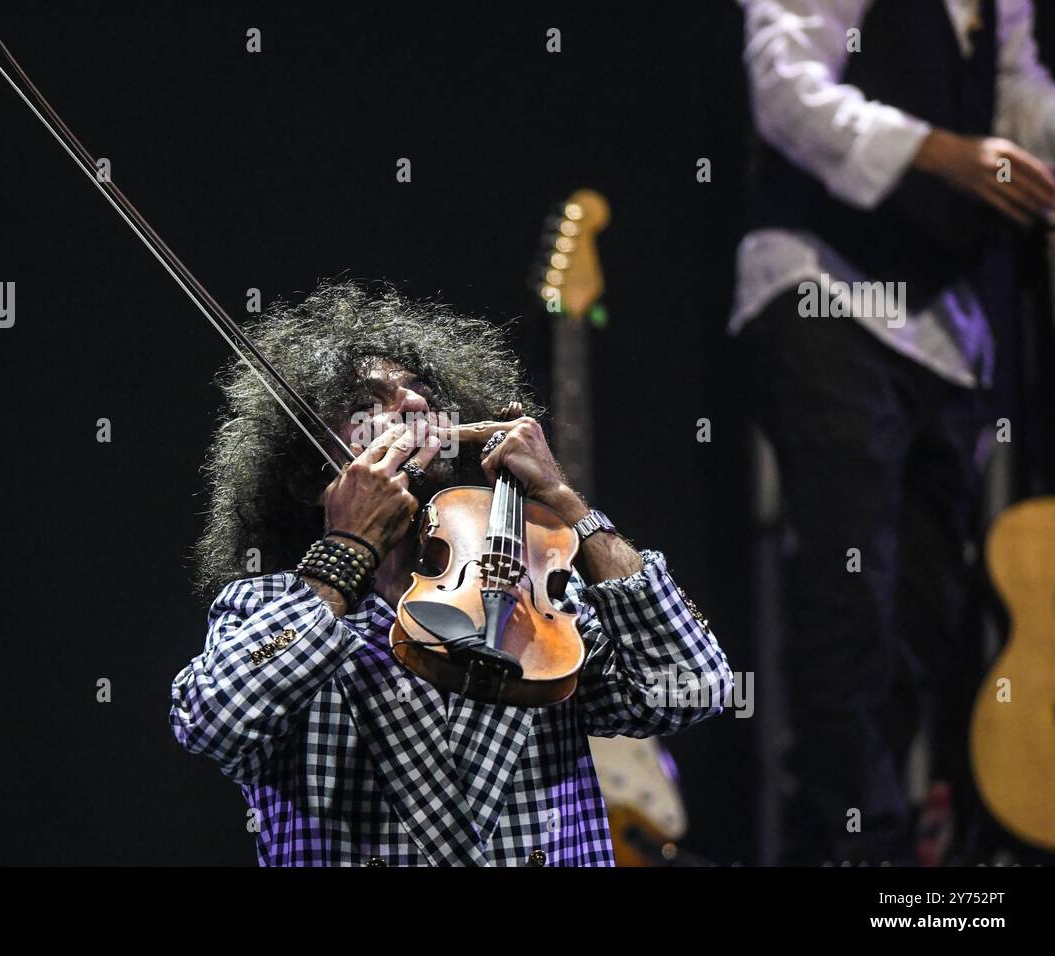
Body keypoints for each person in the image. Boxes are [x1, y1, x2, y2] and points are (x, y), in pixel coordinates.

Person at [169, 280, 732, 866]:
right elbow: (215, 719)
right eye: (371, 400)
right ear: (310, 479)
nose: (415, 406)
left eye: (421, 392)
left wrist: (567, 503)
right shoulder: (265, 608)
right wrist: (347, 549)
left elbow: (694, 687)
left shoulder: (532, 607)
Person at [734, 0, 1055, 864]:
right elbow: (785, 88)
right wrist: (946, 155)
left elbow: (1025, 109)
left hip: (941, 331)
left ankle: (903, 847)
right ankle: (849, 851)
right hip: (824, 285)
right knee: (851, 601)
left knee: (929, 622)